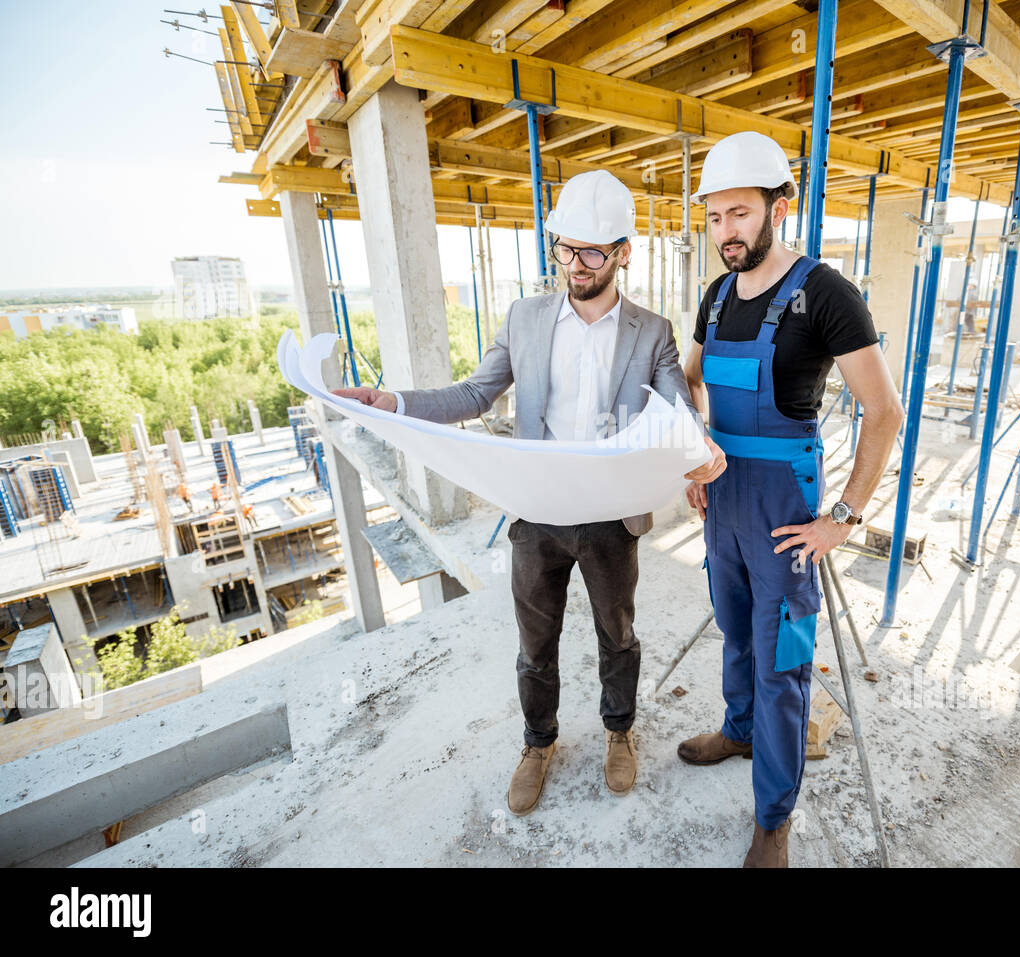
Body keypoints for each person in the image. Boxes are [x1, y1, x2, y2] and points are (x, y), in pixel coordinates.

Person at [332, 170, 727, 816]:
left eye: (592, 252)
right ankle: (538, 742)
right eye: (565, 249)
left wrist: (698, 448)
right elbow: (473, 393)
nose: (574, 265)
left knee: (616, 634)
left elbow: (675, 409)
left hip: (609, 516)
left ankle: (618, 729)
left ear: (624, 251)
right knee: (534, 643)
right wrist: (395, 403)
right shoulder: (525, 318)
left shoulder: (652, 331)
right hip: (538, 515)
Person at [678, 131, 903, 867]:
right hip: (725, 505)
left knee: (786, 659)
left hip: (787, 514)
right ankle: (738, 729)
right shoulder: (714, 296)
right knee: (737, 632)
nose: (726, 232)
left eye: (739, 213)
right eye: (714, 217)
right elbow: (688, 378)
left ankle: (774, 813)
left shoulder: (824, 293)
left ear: (780, 206)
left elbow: (885, 409)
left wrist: (842, 518)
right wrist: (690, 458)